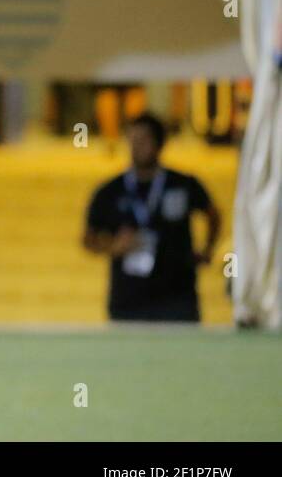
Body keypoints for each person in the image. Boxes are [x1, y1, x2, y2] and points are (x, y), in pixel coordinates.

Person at [82, 113, 222, 323]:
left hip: (177, 298)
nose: (136, 146)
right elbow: (88, 238)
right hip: (128, 300)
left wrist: (207, 249)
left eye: (143, 140)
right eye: (132, 140)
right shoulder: (110, 191)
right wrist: (113, 246)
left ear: (159, 143)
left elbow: (213, 213)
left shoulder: (182, 183)